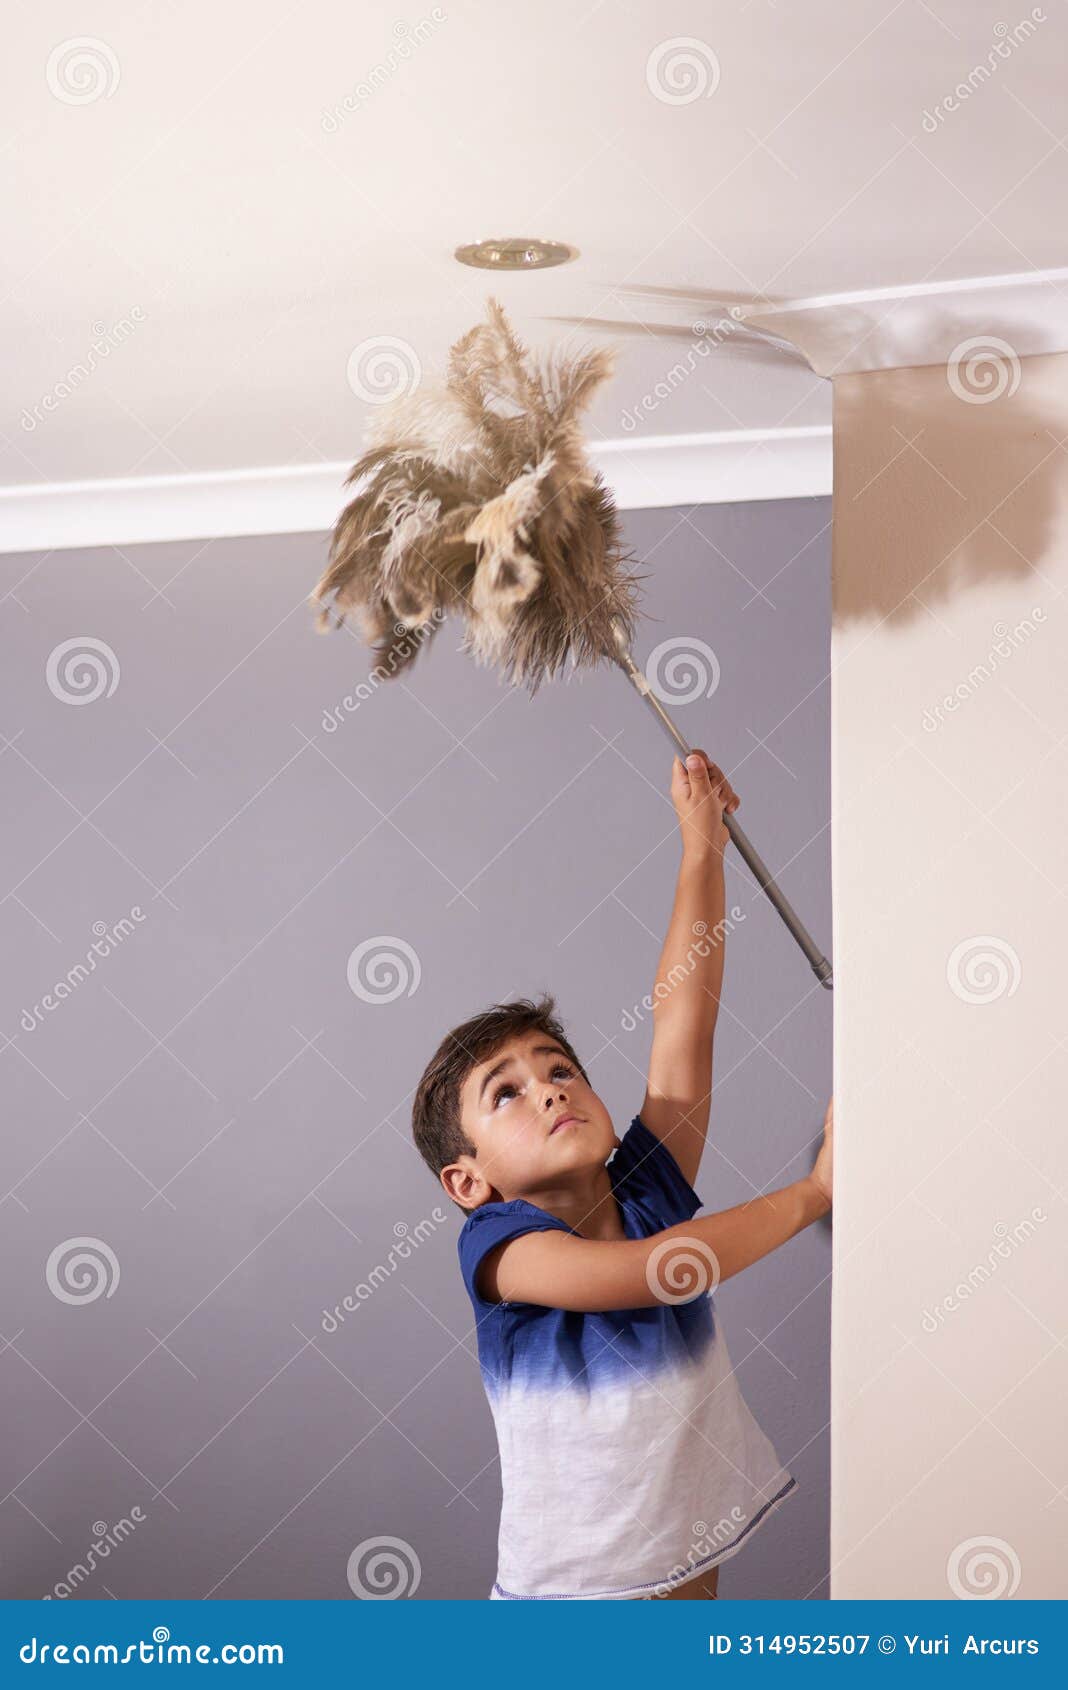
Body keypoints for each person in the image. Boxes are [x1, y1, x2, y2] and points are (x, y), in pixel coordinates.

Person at [411, 751, 833, 1600]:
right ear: (468, 1182)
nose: (550, 1090)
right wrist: (816, 1193)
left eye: (560, 1068)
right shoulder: (499, 1246)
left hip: (682, 1575)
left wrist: (701, 846)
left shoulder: (644, 1188)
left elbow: (685, 1017)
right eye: (508, 1094)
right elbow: (651, 1275)